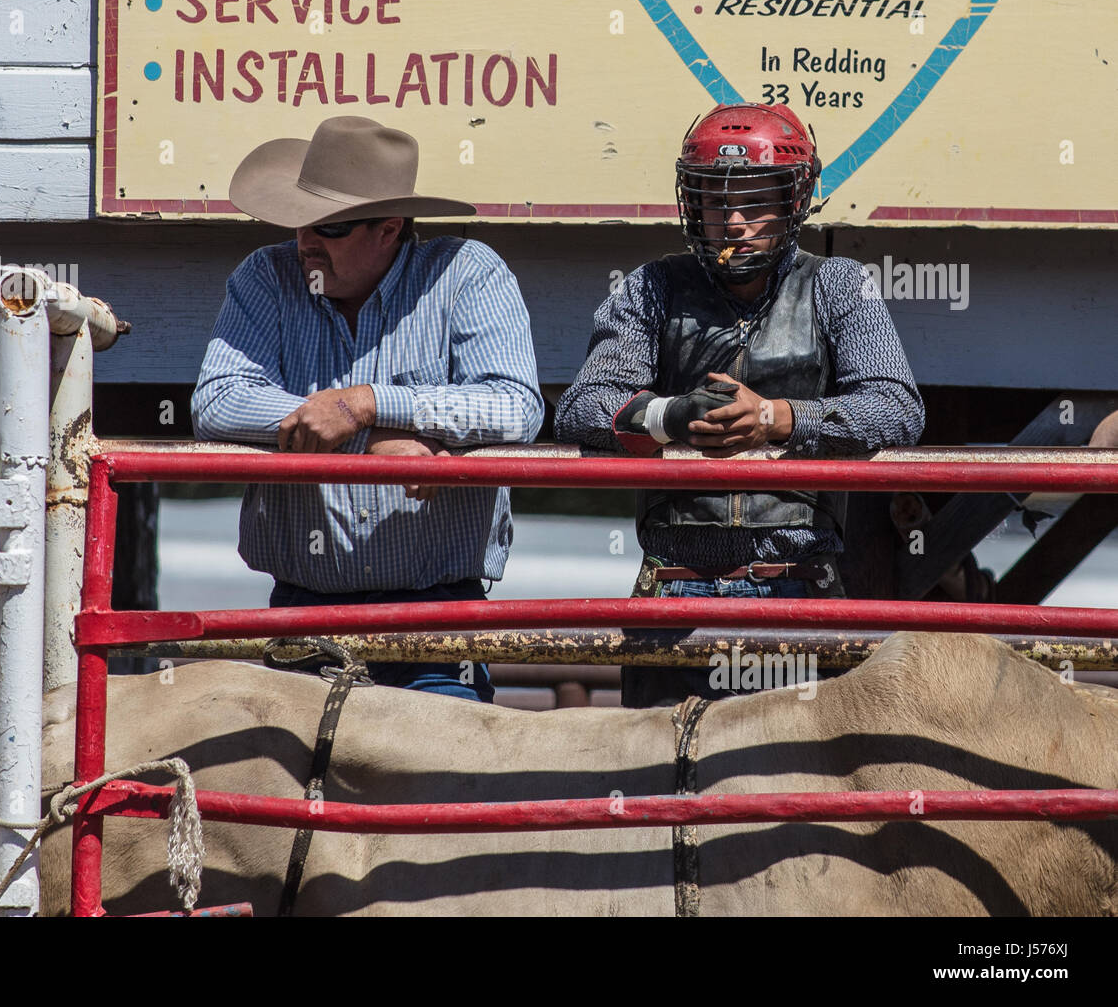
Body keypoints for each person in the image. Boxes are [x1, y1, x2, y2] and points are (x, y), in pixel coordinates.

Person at [554, 102, 924, 706]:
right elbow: (583, 406)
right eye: (716, 202)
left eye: (755, 202)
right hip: (676, 585)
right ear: (691, 204)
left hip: (798, 581)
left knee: (797, 790)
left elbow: (897, 407)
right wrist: (672, 416)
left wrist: (778, 419)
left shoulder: (838, 285)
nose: (735, 223)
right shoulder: (652, 286)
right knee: (660, 785)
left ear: (793, 200)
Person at [192, 116, 544, 703]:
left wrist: (368, 404)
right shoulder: (266, 274)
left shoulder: (466, 272)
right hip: (301, 610)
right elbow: (219, 401)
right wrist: (375, 439)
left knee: (434, 789)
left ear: (389, 229)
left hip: (437, 618)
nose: (305, 239)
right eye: (299, 218)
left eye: (329, 226)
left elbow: (516, 407)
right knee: (297, 794)